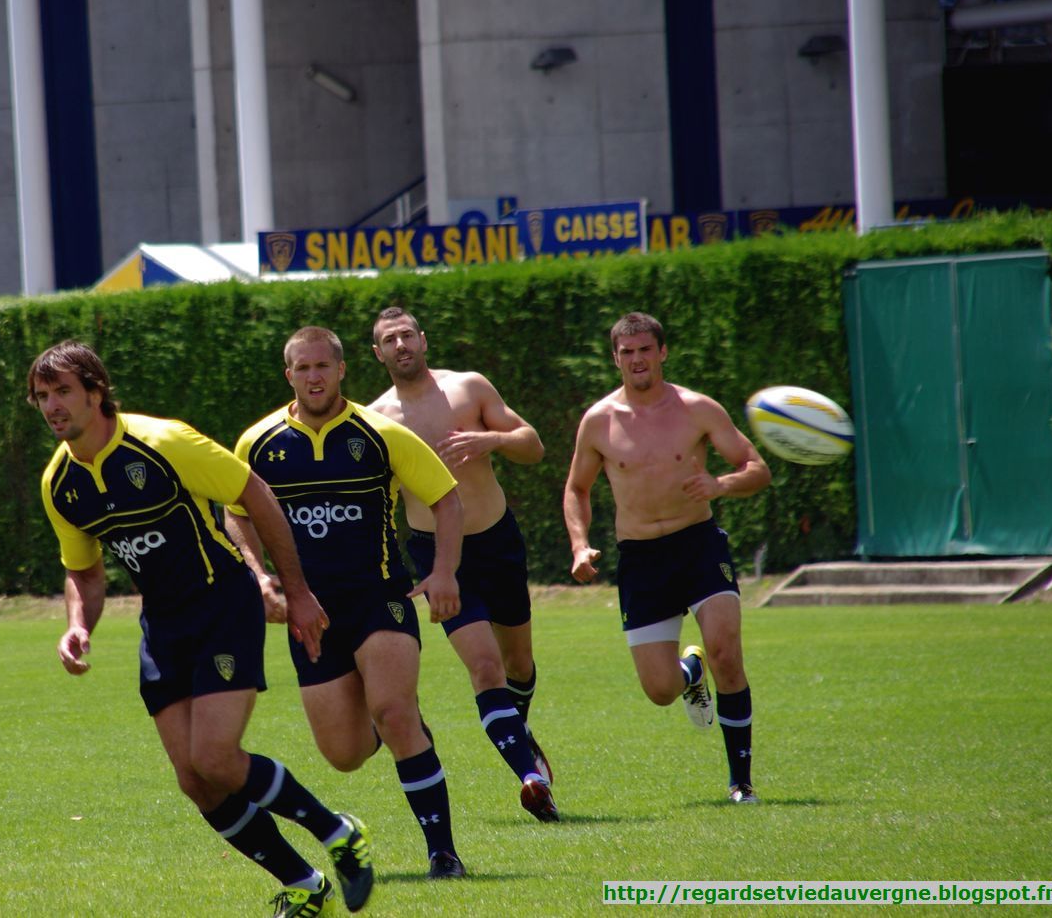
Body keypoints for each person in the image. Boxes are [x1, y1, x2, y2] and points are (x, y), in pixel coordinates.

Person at [28, 340, 374, 918]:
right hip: (162, 626)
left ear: (95, 392)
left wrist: (296, 590)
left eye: (64, 391)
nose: (53, 406)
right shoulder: (59, 483)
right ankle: (305, 883)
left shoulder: (163, 442)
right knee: (195, 779)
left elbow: (254, 495)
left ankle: (338, 832)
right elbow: (83, 571)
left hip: (223, 604)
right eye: (42, 396)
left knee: (215, 757)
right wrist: (77, 625)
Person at [227, 325, 472, 880]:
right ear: (289, 375)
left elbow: (447, 499)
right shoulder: (259, 442)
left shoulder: (381, 433)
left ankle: (444, 854)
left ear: (341, 371)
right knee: (344, 754)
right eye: (302, 368)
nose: (314, 376)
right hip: (308, 613)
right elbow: (234, 510)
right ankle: (401, 719)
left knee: (392, 709)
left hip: (378, 599)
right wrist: (258, 573)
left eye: (323, 366)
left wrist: (444, 571)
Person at [562, 312, 771, 803]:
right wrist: (578, 543)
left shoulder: (697, 409)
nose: (636, 359)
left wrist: (720, 484)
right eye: (626, 352)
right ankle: (688, 672)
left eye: (644, 349)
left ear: (662, 352)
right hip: (640, 558)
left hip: (698, 544)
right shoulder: (599, 421)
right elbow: (576, 488)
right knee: (659, 690)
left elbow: (756, 469)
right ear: (616, 358)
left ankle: (741, 782)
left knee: (726, 651)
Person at [368, 307, 559, 823]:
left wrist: (489, 440)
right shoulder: (375, 420)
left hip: (497, 541)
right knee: (485, 666)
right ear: (378, 353)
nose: (401, 344)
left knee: (518, 664)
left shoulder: (469, 388)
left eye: (408, 334)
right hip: (436, 556)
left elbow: (533, 446)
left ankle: (520, 739)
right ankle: (531, 777)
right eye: (390, 339)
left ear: (424, 341)